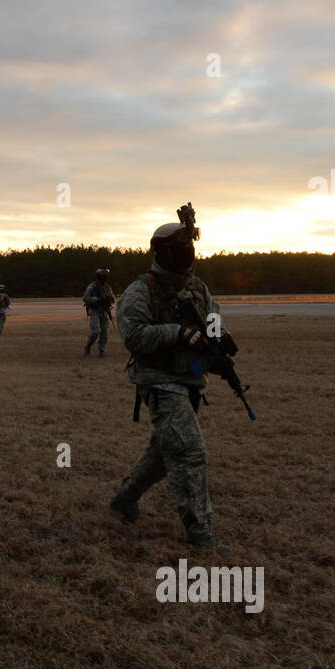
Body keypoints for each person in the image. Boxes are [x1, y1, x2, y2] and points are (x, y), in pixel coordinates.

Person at [109, 209, 226, 550]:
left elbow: (215, 319)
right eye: (180, 249)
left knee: (164, 451)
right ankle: (199, 531)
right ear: (162, 253)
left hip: (190, 380)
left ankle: (124, 499)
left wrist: (216, 342)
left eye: (190, 247)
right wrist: (178, 333)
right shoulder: (140, 291)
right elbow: (134, 336)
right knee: (189, 450)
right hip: (159, 380)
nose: (187, 254)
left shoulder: (198, 288)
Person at [82, 267, 115, 357]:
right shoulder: (92, 286)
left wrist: (109, 299)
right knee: (96, 331)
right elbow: (85, 298)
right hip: (94, 311)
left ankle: (101, 351)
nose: (105, 278)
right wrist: (97, 300)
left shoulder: (107, 287)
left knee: (104, 333)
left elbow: (112, 298)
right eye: (103, 276)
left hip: (104, 311)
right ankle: (88, 347)